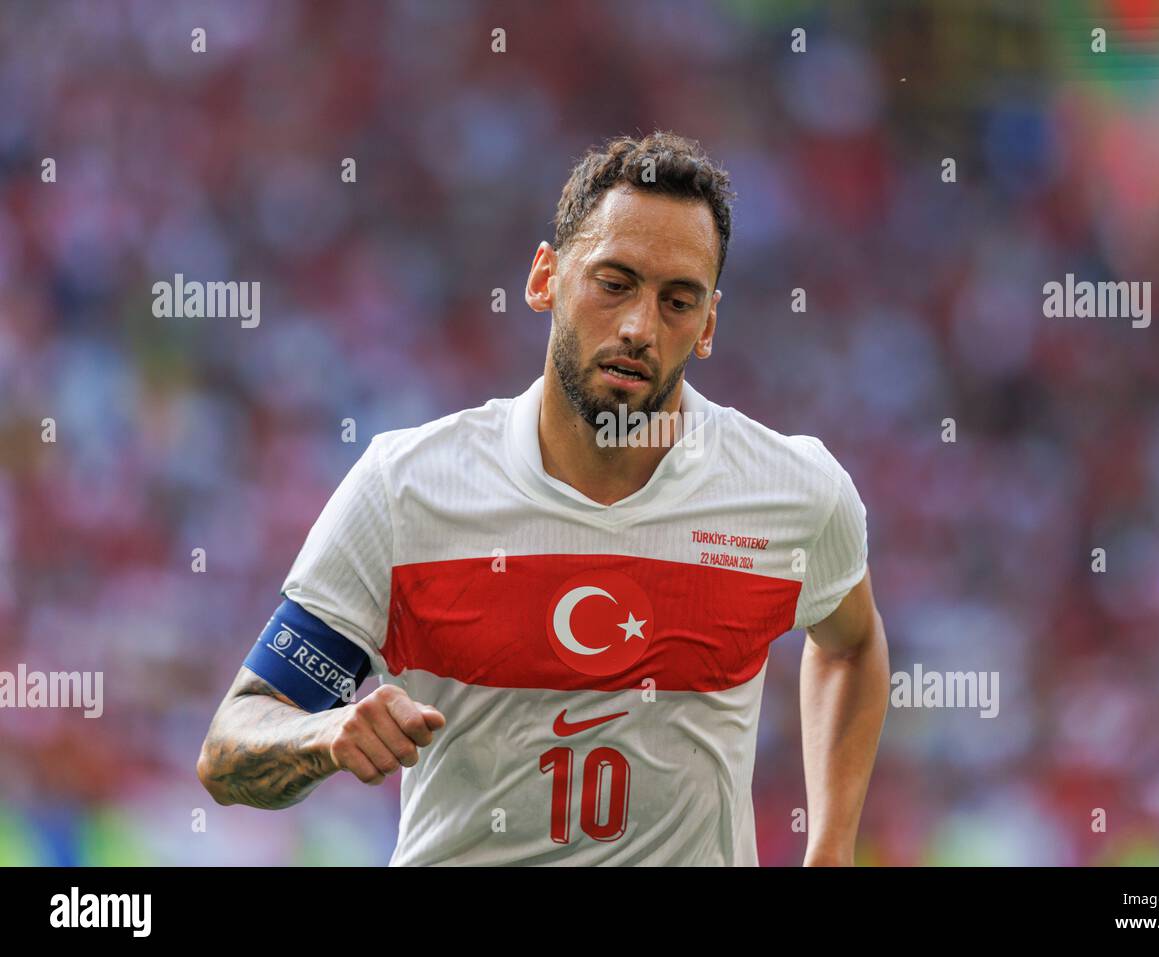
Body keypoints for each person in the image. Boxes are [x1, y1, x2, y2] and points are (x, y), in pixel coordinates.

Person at [196, 130, 891, 866]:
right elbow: (230, 748)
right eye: (614, 282)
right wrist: (323, 734)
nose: (638, 328)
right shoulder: (408, 489)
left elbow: (851, 644)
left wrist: (832, 844)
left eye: (677, 301)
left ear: (709, 323)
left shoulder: (794, 494)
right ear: (544, 278)